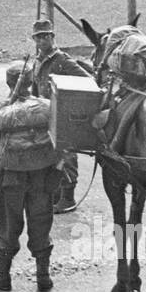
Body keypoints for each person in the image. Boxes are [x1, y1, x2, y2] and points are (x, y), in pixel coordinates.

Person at [0, 64, 61, 292]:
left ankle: (3, 276)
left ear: (8, 82)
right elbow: (62, 142)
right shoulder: (47, 106)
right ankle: (43, 277)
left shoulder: (1, 110)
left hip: (11, 179)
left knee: (9, 225)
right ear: (32, 81)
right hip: (42, 176)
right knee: (41, 222)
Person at [28, 18, 90, 213]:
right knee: (50, 154)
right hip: (46, 115)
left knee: (67, 155)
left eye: (46, 36)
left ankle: (68, 197)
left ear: (53, 37)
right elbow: (36, 89)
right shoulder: (37, 61)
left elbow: (87, 81)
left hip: (63, 115)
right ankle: (56, 193)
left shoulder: (62, 60)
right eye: (38, 38)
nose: (42, 41)